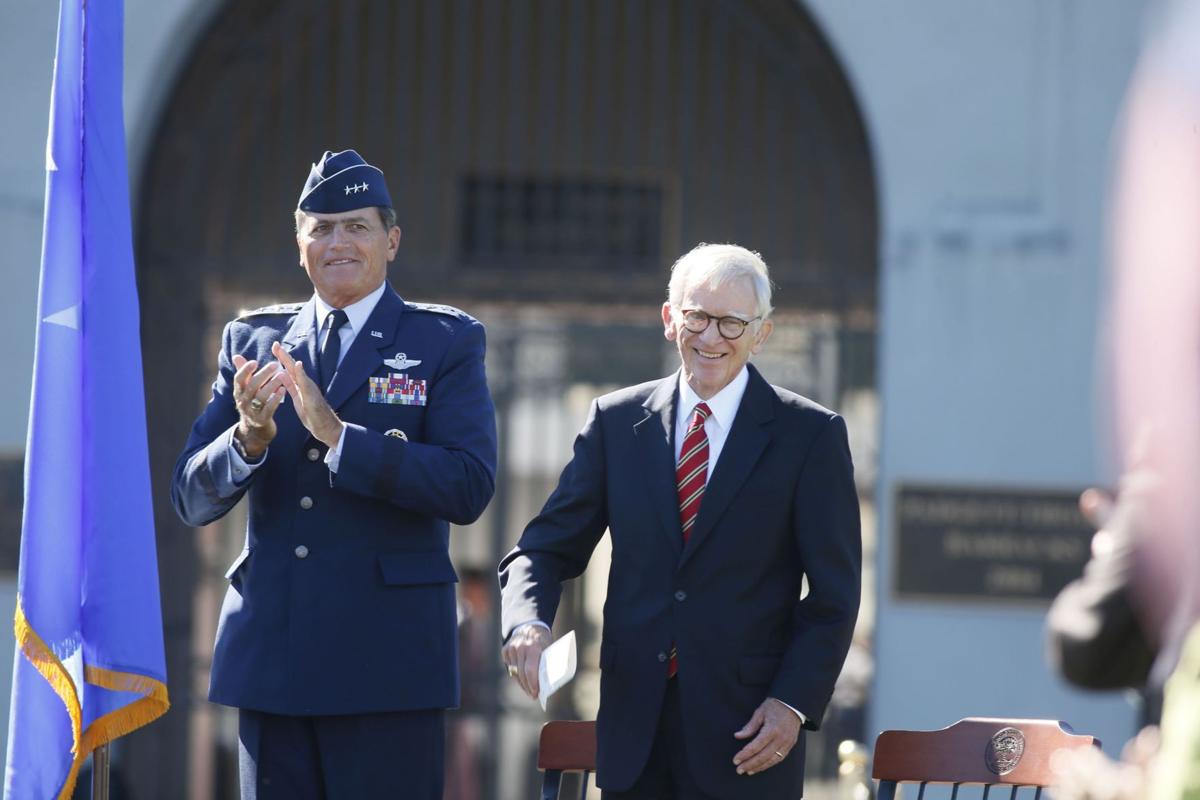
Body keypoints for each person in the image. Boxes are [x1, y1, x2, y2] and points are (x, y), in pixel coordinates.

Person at [171, 149, 497, 799]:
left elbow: (468, 485)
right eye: (321, 228)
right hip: (274, 661)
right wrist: (248, 439)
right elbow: (190, 495)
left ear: (392, 240)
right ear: (300, 245)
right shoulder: (253, 340)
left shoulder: (444, 341)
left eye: (357, 225)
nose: (338, 241)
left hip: (387, 667)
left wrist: (343, 439)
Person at [498, 243, 861, 799]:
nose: (711, 337)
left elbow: (835, 595)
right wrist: (527, 621)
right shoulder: (616, 422)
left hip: (749, 738)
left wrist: (792, 703)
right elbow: (545, 547)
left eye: (732, 323)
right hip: (633, 733)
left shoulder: (809, 436)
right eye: (697, 316)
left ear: (761, 333)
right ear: (671, 319)